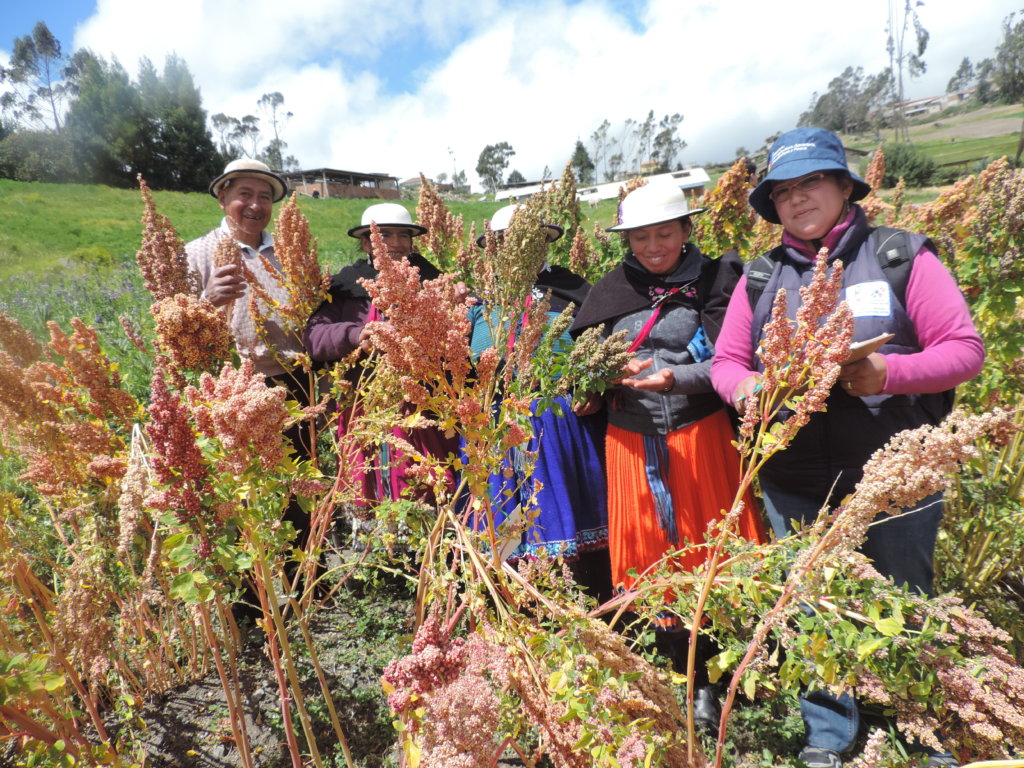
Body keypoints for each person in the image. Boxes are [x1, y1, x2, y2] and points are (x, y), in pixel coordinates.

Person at [710, 126, 983, 768]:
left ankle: (915, 727)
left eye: (811, 183)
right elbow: (726, 361)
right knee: (809, 600)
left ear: (842, 186)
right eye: (782, 192)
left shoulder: (899, 256)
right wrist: (750, 387)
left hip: (894, 476)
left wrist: (888, 373)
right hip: (796, 476)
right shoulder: (761, 277)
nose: (797, 199)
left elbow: (964, 349)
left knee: (902, 597)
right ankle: (829, 734)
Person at [571, 183, 765, 729]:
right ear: (626, 239)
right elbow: (583, 365)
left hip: (698, 438)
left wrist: (674, 378)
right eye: (640, 235)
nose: (654, 244)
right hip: (631, 442)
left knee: (713, 552)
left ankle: (730, 668)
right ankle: (687, 674)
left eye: (664, 232)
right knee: (653, 557)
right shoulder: (608, 291)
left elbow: (734, 363)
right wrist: (586, 391)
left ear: (686, 230)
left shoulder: (719, 280)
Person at [467, 204, 612, 602]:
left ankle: (585, 609)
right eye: (506, 243)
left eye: (530, 241)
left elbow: (599, 351)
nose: (519, 250)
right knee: (508, 524)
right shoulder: (478, 303)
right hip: (498, 427)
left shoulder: (575, 292)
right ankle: (520, 610)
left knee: (568, 520)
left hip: (561, 425)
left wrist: (593, 389)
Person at [303, 203, 459, 508]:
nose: (397, 244)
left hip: (423, 408)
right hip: (364, 407)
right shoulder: (346, 285)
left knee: (427, 484)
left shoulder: (432, 281)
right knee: (371, 482)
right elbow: (315, 336)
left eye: (404, 235)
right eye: (385, 235)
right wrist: (354, 334)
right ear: (366, 242)